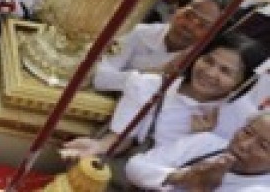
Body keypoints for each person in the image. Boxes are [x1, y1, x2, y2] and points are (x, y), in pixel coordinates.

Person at [64, 32, 267, 160]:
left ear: (243, 82)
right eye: (208, 61)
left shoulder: (245, 121)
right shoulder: (150, 87)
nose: (211, 73)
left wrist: (198, 141)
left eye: (225, 71)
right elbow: (120, 140)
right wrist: (97, 146)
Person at [94, 0, 223, 93]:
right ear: (175, 11)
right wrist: (156, 73)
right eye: (188, 16)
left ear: (211, 34)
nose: (189, 26)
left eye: (202, 25)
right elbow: (100, 78)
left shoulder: (201, 63)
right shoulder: (138, 32)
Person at [126, 111, 270, 190]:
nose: (244, 145)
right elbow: (134, 166)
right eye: (247, 132)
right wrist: (182, 177)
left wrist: (200, 187)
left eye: (263, 146)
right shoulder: (206, 142)